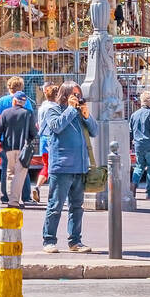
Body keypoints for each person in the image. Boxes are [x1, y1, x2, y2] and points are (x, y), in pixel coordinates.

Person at [40, 82, 98, 253]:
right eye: (74, 94)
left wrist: (87, 116)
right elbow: (56, 126)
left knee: (77, 207)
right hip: (62, 167)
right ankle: (49, 240)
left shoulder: (79, 112)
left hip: (80, 166)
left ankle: (75, 241)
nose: (77, 98)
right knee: (55, 205)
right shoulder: (53, 110)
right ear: (64, 94)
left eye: (78, 95)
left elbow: (95, 131)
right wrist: (71, 110)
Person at [0, 91, 37, 208]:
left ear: (14, 101)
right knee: (20, 174)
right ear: (24, 102)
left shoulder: (5, 113)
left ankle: (10, 199)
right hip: (24, 149)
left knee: (10, 174)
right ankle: (14, 201)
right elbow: (33, 132)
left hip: (8, 148)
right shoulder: (28, 114)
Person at [129, 91, 150, 200]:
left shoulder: (134, 114)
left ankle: (133, 185)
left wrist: (131, 142)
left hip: (138, 144)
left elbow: (130, 131)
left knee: (139, 166)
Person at [32, 83, 58, 204]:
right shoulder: (55, 108)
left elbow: (38, 124)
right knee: (55, 167)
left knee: (47, 165)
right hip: (52, 138)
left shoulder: (41, 107)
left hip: (43, 138)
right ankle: (53, 194)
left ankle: (37, 186)